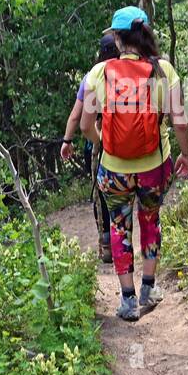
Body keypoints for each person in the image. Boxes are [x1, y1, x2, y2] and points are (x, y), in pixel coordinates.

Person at [81, 6, 188, 321]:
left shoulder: (98, 74)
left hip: (114, 170)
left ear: (117, 38)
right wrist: (186, 154)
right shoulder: (163, 71)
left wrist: (103, 142)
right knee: (150, 220)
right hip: (154, 166)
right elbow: (180, 122)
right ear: (144, 33)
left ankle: (127, 300)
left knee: (119, 225)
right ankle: (148, 288)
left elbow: (86, 124)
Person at [60, 33, 120, 263]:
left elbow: (77, 116)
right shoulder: (128, 73)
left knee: (100, 194)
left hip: (96, 143)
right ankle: (121, 240)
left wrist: (67, 141)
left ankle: (106, 244)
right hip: (124, 143)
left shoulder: (91, 77)